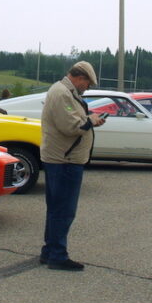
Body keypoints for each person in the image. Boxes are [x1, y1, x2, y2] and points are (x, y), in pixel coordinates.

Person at [39, 61, 106, 271]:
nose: (87, 87)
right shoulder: (62, 94)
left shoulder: (64, 91)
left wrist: (89, 119)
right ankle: (57, 255)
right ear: (80, 78)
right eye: (88, 83)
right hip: (64, 160)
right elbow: (71, 126)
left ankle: (50, 251)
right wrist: (91, 120)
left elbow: (71, 120)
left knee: (56, 208)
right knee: (64, 210)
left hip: (61, 158)